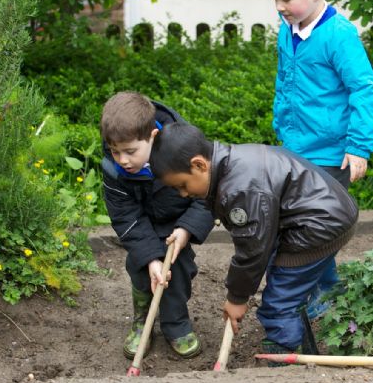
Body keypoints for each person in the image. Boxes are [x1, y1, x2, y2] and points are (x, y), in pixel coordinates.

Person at [149, 122, 358, 360]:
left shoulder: (240, 190)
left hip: (320, 225)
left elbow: (252, 250)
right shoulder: (229, 163)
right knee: (282, 282)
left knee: (278, 304)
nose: (184, 194)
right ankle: (301, 341)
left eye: (182, 185)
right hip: (322, 213)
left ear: (199, 164)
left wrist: (236, 299)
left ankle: (286, 363)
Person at [261, 0, 373, 318]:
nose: (279, 7)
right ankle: (321, 285)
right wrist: (282, 122)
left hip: (330, 153)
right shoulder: (289, 27)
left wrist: (359, 146)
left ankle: (326, 290)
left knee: (317, 225)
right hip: (296, 146)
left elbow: (363, 87)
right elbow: (286, 79)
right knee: (299, 223)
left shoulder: (338, 35)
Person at [100, 92, 215, 359]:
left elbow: (207, 195)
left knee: (179, 269)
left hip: (178, 221)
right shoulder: (114, 170)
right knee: (141, 268)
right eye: (115, 151)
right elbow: (125, 216)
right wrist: (151, 258)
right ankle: (143, 322)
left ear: (152, 135)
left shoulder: (184, 149)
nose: (122, 160)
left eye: (130, 152)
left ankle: (176, 323)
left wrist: (186, 229)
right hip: (143, 223)